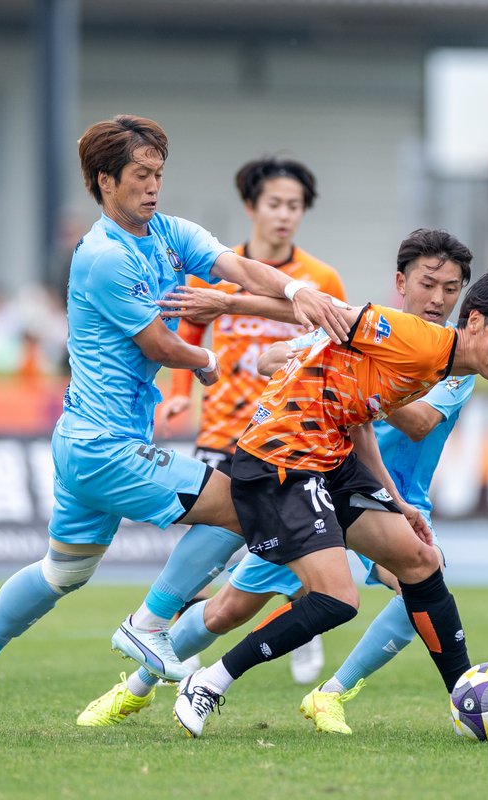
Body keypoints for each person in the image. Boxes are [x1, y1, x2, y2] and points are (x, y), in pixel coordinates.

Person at [0, 114, 348, 731]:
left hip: (86, 440)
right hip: (104, 447)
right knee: (249, 503)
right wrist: (208, 362)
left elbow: (237, 267)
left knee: (63, 571)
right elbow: (158, 343)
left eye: (158, 173)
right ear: (105, 180)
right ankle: (149, 623)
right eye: (140, 174)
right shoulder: (104, 256)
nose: (154, 185)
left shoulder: (170, 232)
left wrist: (293, 292)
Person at [76, 228, 474, 734]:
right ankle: (136, 686)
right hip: (309, 474)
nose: (438, 299)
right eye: (428, 284)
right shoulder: (371, 330)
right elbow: (270, 359)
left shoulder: (454, 357)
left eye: (451, 289)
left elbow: (417, 422)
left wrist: (358, 380)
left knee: (420, 575)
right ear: (402, 282)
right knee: (228, 610)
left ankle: (336, 692)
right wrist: (315, 366)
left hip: (376, 489)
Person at [169, 265, 488, 738]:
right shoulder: (419, 341)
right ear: (474, 321)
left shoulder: (441, 366)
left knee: (420, 561)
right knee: (333, 599)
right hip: (283, 456)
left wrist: (398, 503)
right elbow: (327, 311)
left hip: (332, 457)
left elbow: (361, 422)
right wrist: (232, 303)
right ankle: (208, 682)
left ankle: (465, 699)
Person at [157, 156, 347, 688]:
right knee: (204, 553)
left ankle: (303, 624)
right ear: (251, 206)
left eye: (295, 206)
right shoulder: (218, 271)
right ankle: (179, 646)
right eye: (275, 204)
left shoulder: (320, 279)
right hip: (223, 433)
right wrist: (179, 393)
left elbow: (338, 345)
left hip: (289, 440)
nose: (284, 215)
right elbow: (188, 332)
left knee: (297, 541)